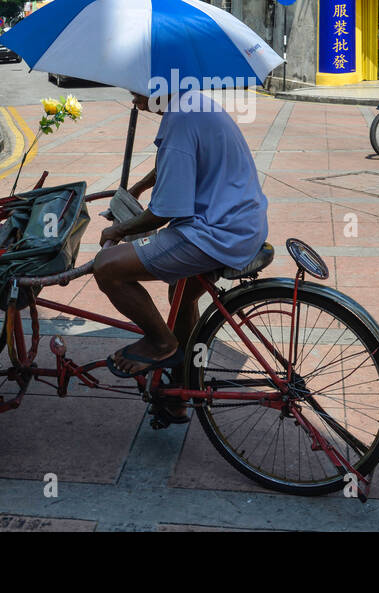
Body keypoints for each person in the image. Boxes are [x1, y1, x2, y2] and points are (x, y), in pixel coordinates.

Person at [92, 87, 268, 416]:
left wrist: (118, 230)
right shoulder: (193, 104)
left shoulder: (180, 119)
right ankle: (181, 385)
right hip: (242, 223)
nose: (135, 102)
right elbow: (175, 164)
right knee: (182, 293)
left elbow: (165, 210)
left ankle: (161, 342)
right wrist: (139, 188)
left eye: (137, 94)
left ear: (157, 88)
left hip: (216, 233)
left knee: (107, 266)